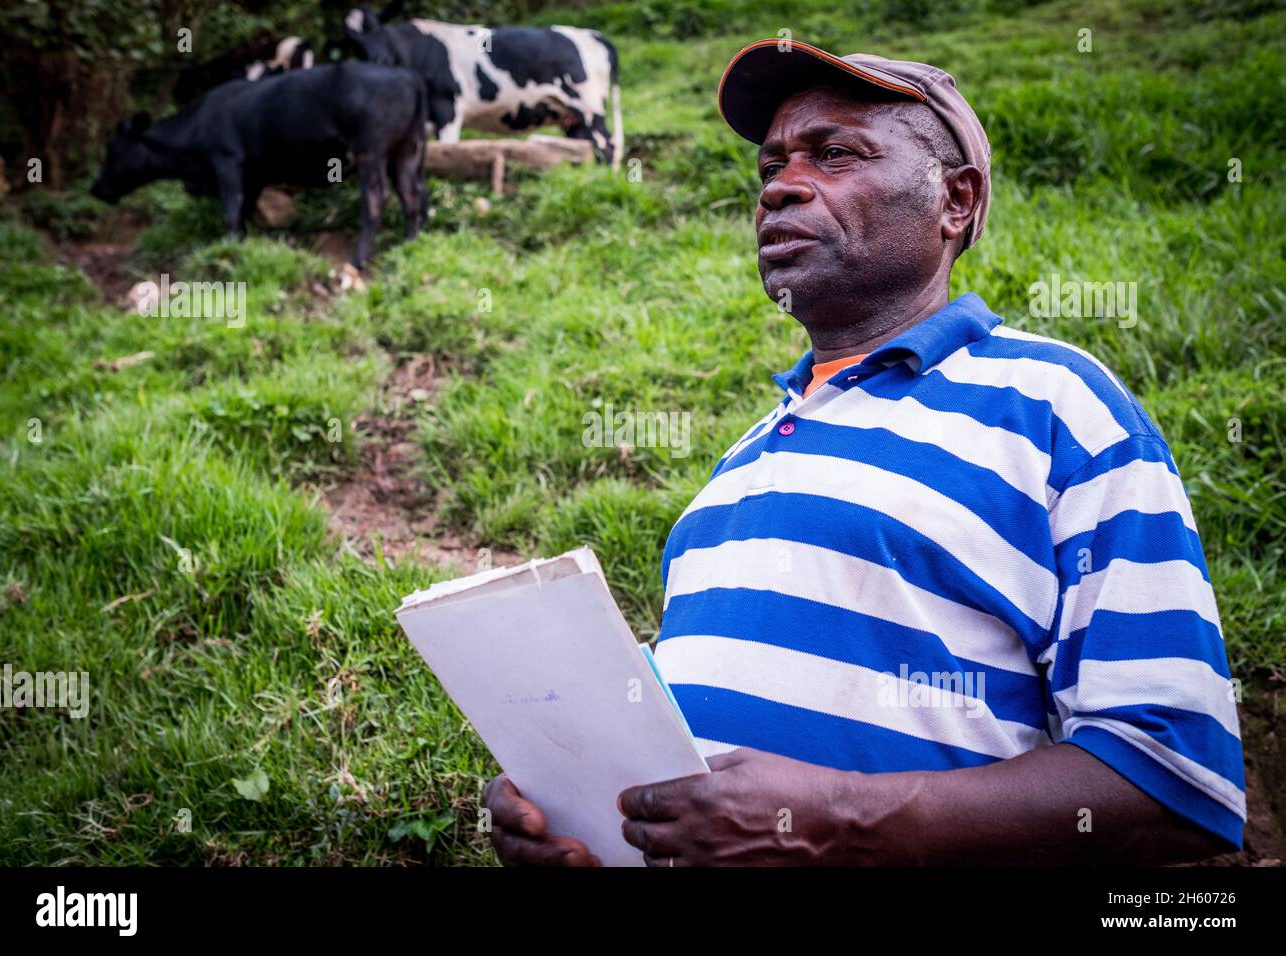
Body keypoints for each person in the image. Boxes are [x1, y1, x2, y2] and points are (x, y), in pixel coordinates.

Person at [482, 39, 1244, 865]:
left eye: (835, 152)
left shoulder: (1057, 404)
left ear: (956, 200)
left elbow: (1178, 777)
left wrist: (835, 821)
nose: (780, 184)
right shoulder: (737, 466)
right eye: (771, 164)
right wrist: (571, 802)